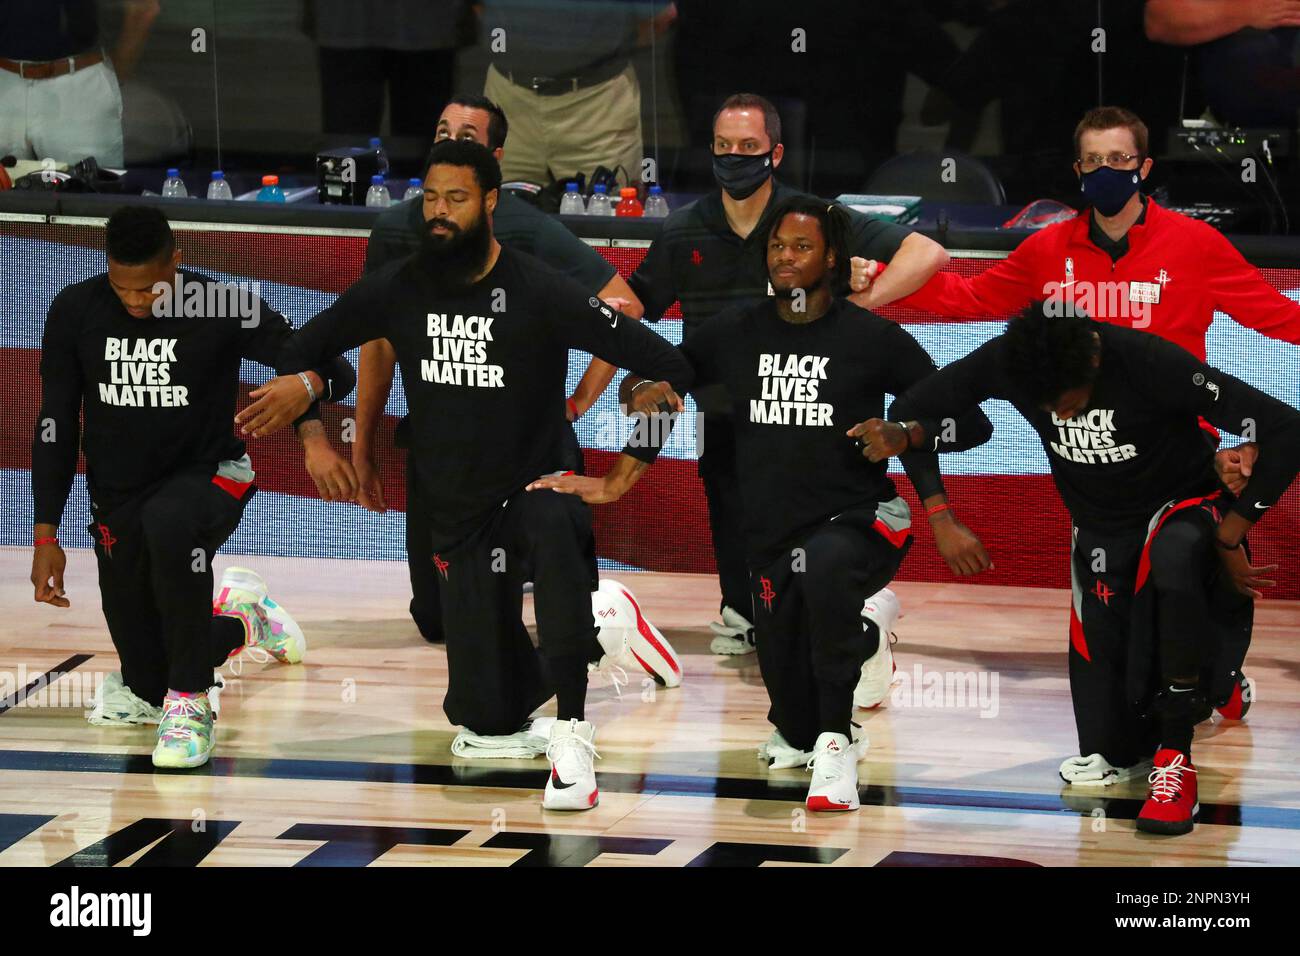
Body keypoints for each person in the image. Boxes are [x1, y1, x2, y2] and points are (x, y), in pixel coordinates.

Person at [533, 197, 993, 810]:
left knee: (826, 569)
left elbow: (972, 425)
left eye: (802, 247)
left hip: (860, 521)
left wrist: (910, 449)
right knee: (790, 716)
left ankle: (837, 747)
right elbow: (662, 388)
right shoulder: (733, 332)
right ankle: (859, 646)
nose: (786, 257)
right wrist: (632, 415)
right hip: (771, 538)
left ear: (832, 257)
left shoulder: (873, 338)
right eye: (778, 247)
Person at [272, 140, 693, 810]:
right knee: (481, 717)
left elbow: (669, 367)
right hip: (454, 509)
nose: (439, 213)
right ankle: (605, 625)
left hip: (534, 487)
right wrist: (315, 433)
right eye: (431, 199)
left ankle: (574, 737)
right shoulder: (398, 286)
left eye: (457, 199)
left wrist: (622, 476)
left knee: (554, 522)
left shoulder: (540, 289)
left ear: (490, 203)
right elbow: (300, 350)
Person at [870, 301, 1300, 835]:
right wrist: (939, 513)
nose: (1059, 416)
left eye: (1067, 403)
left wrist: (1233, 531)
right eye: (1044, 406)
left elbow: (1286, 427)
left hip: (1182, 504)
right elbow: (909, 416)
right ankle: (1221, 683)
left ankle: (1176, 761)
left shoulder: (1147, 360)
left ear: (1093, 363)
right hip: (1098, 528)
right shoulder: (1013, 359)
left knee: (1172, 560)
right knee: (1112, 747)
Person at [29, 206, 356, 769]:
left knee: (171, 525)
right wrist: (45, 533)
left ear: (176, 264)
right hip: (118, 495)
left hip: (212, 475)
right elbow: (54, 423)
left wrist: (306, 390)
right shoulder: (76, 309)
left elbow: (332, 365)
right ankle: (245, 620)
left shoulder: (219, 304)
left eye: (149, 288)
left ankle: (192, 702)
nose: (135, 301)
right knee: (144, 678)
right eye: (121, 286)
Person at [629, 92, 950, 658]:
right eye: (723, 147)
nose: (734, 157)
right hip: (725, 408)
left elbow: (927, 253)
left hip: (815, 403)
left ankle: (850, 603)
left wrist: (858, 309)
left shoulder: (812, 218)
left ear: (775, 153)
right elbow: (631, 309)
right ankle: (744, 613)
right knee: (732, 507)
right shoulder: (683, 231)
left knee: (822, 515)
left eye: (748, 147)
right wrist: (636, 382)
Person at [354, 93, 647, 646]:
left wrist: (579, 402)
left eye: (466, 136)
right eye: (442, 131)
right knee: (439, 624)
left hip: (529, 444)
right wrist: (362, 443)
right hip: (441, 447)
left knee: (568, 623)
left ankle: (599, 633)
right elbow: (378, 343)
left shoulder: (529, 230)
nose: (448, 142)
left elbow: (625, 307)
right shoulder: (397, 230)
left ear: (496, 158)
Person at [477, 0, 676, 186]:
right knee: (502, 215)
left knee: (607, 215)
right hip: (508, 102)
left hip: (597, 105)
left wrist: (607, 49)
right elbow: (476, 8)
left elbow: (659, 17)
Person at [0, 0, 158, 168]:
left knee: (87, 188)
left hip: (78, 83)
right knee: (6, 189)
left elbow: (144, 7)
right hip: (6, 83)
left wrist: (121, 69)